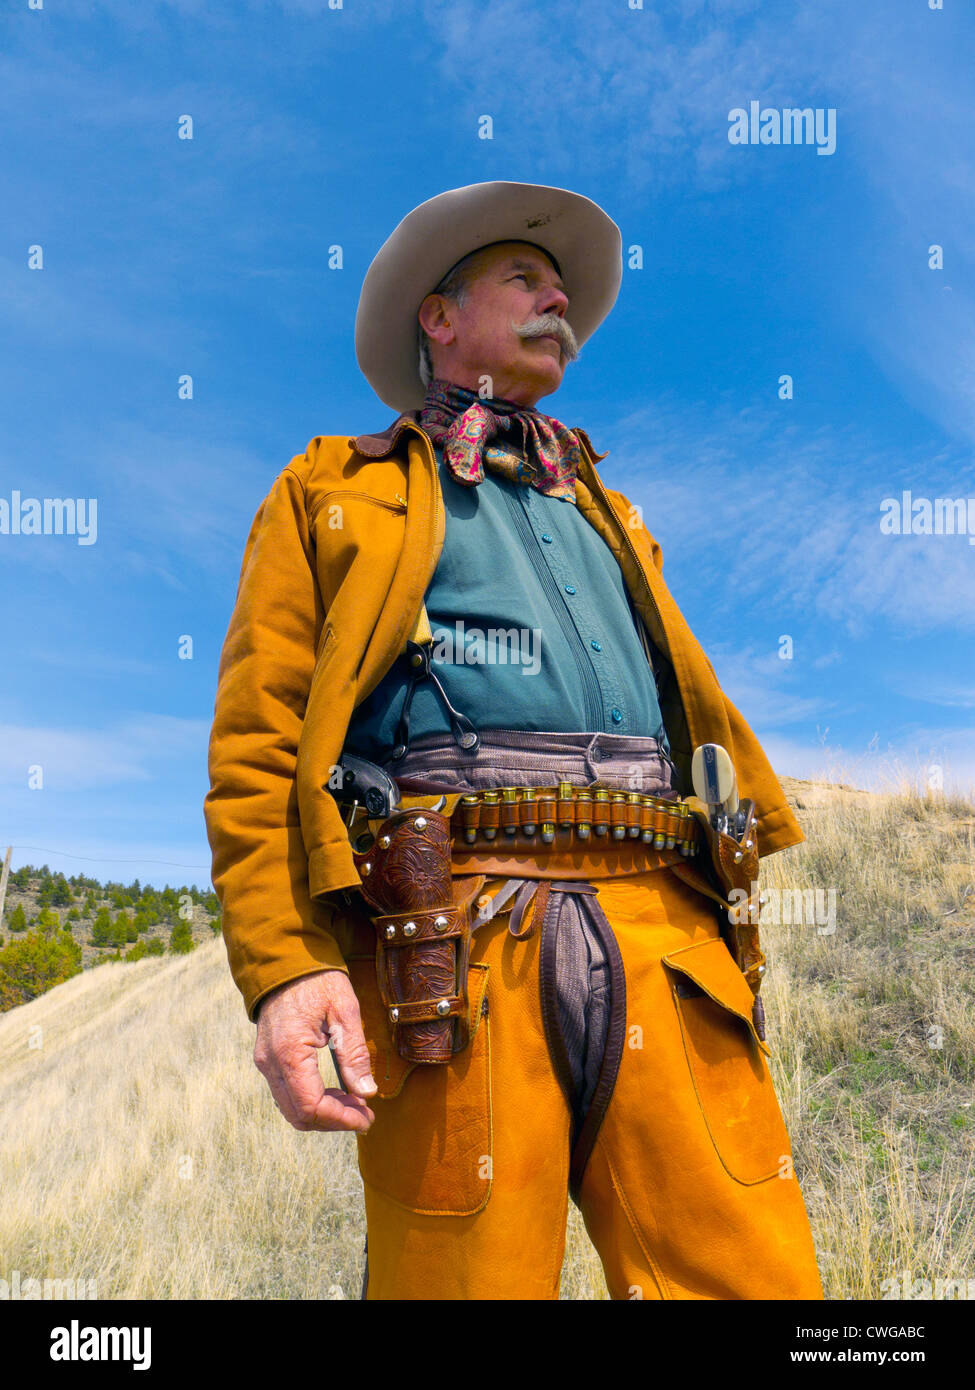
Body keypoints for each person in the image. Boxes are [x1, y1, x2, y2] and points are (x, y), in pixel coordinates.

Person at [204, 180, 825, 1301]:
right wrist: (285, 969)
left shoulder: (610, 509)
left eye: (565, 293)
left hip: (668, 930)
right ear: (439, 319)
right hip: (450, 942)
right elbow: (257, 744)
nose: (561, 304)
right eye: (525, 280)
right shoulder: (328, 489)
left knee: (757, 1285)